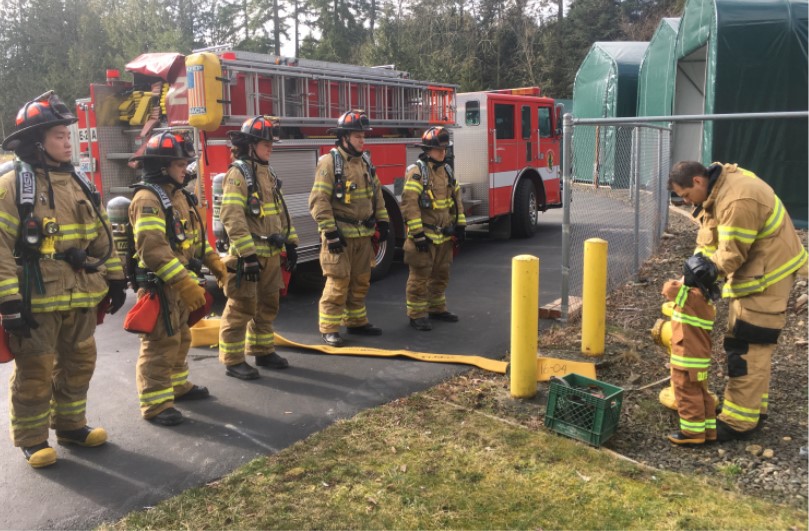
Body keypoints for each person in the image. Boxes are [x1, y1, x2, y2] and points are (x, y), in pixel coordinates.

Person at [0, 91, 127, 467]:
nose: (67, 141)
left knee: (79, 363)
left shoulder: (78, 181)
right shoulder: (12, 188)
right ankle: (32, 439)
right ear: (36, 142)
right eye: (58, 135)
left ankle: (71, 426)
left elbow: (103, 236)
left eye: (66, 134)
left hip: (80, 294)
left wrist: (117, 278)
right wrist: (8, 303)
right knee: (36, 371)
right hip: (35, 301)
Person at [668, 161, 808, 441]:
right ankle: (755, 407)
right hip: (759, 270)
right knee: (749, 343)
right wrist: (693, 272)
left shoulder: (738, 200)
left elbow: (731, 255)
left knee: (747, 346)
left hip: (768, 276)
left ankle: (738, 422)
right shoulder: (717, 190)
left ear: (697, 181)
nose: (684, 203)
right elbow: (710, 240)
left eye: (684, 195)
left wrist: (708, 272)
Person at [128, 131, 227, 426]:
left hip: (180, 284)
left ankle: (177, 386)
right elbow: (153, 249)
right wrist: (184, 282)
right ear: (162, 166)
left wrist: (215, 263)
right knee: (160, 344)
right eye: (180, 164)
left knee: (181, 338)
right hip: (161, 285)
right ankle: (156, 403)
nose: (186, 170)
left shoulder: (181, 196)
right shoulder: (147, 199)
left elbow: (196, 239)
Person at [218, 116, 298, 379]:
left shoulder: (268, 173)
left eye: (271, 143)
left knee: (267, 305)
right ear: (250, 145)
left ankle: (262, 351)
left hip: (272, 255)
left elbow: (281, 212)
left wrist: (291, 242)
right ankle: (233, 360)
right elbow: (232, 216)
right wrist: (247, 254)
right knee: (241, 308)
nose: (270, 147)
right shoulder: (238, 173)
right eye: (265, 143)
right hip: (248, 259)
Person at [308, 110, 390, 346]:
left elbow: (377, 195)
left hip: (363, 235)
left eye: (364, 136)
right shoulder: (329, 162)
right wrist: (330, 232)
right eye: (357, 136)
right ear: (344, 137)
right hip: (340, 236)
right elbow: (319, 200)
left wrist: (383, 221)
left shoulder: (364, 161)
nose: (362, 140)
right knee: (338, 282)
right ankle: (329, 328)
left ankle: (356, 322)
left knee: (361, 281)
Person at [401, 126, 466, 331]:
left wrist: (461, 224)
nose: (443, 153)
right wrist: (417, 234)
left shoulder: (446, 170)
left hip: (444, 235)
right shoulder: (417, 172)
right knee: (420, 276)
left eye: (445, 149)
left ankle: (437, 308)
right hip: (425, 236)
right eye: (439, 149)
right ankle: (417, 314)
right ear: (428, 150)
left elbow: (456, 199)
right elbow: (409, 204)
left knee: (441, 274)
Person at [661, 255, 721, 445]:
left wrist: (681, 281)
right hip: (700, 358)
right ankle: (709, 431)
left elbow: (668, 289)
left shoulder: (689, 298)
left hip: (686, 358)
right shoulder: (705, 301)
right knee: (702, 394)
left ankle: (692, 433)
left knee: (686, 394)